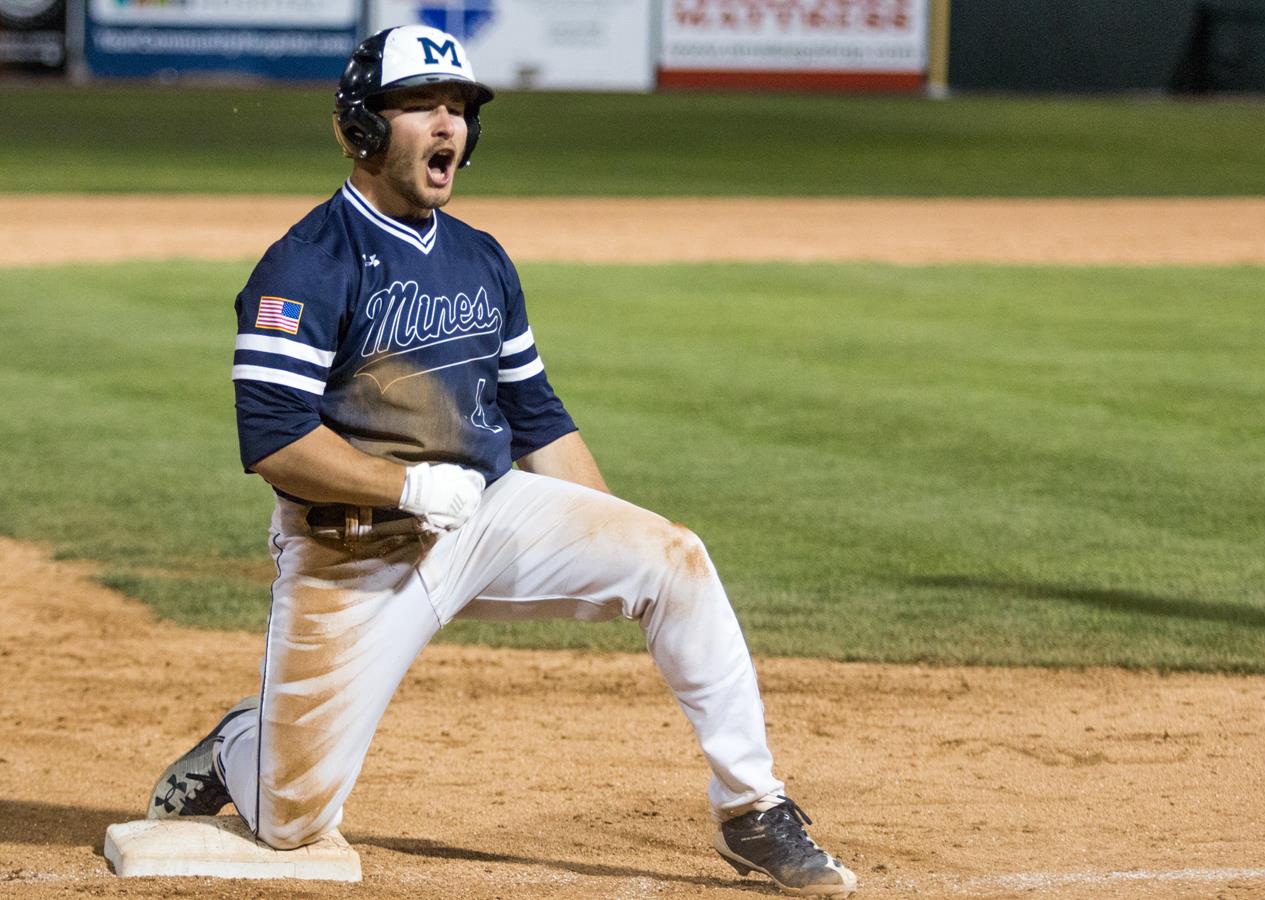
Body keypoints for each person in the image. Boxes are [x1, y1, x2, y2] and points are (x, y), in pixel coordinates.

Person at [146, 24, 858, 898]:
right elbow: (276, 442)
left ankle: (754, 807)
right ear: (361, 128)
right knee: (291, 819)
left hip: (486, 518)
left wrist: (616, 538)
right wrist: (404, 483)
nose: (447, 125)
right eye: (421, 107)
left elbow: (535, 417)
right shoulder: (306, 264)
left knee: (675, 559)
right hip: (352, 559)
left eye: (460, 108)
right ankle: (242, 743)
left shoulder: (482, 259)